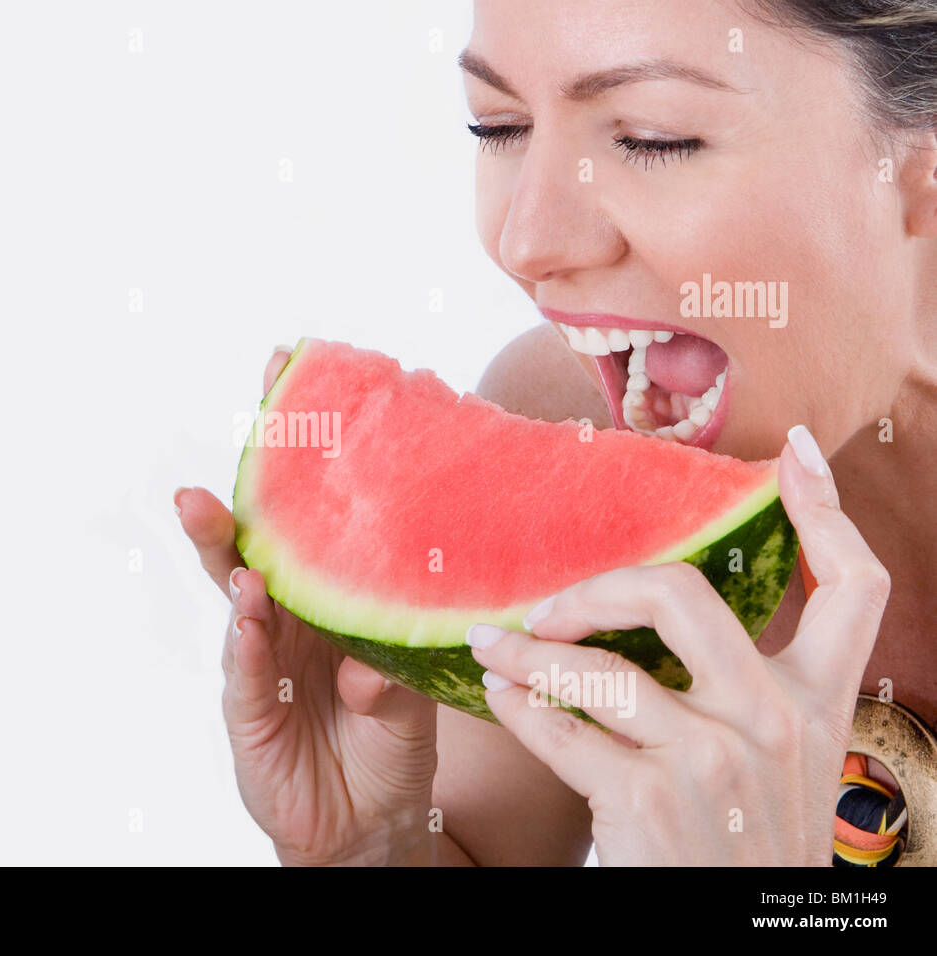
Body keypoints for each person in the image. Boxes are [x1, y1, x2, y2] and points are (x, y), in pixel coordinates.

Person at [176, 0, 937, 865]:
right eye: (498, 125)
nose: (527, 240)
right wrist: (380, 847)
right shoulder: (557, 413)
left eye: (652, 139)